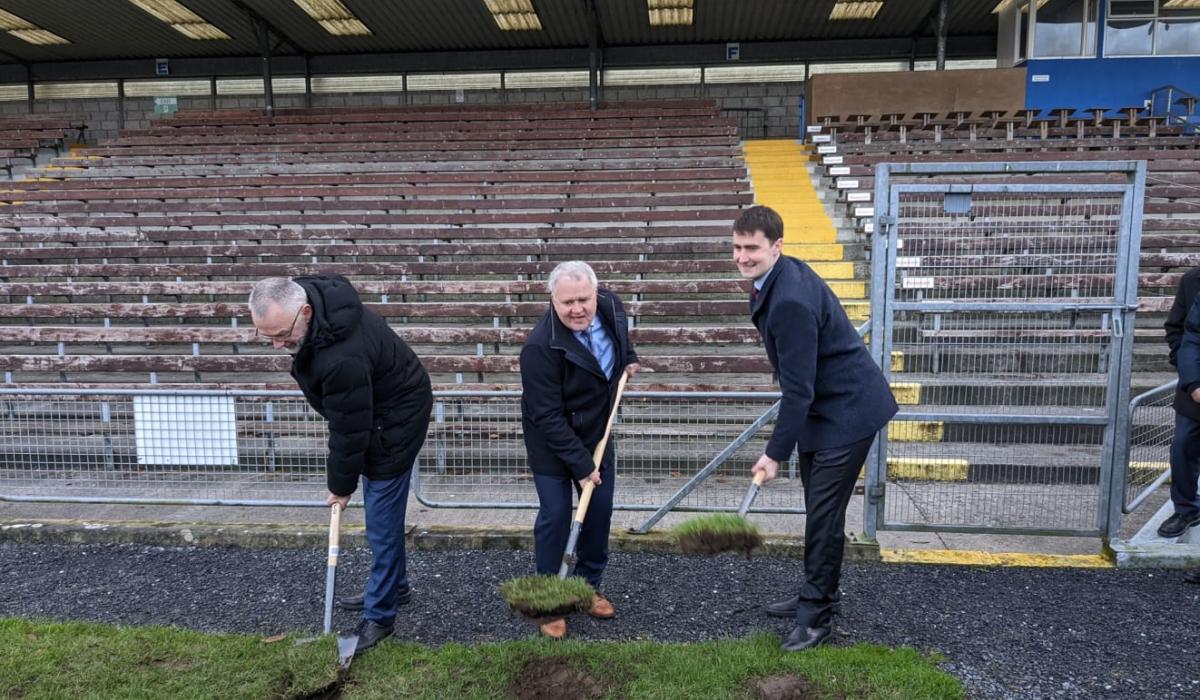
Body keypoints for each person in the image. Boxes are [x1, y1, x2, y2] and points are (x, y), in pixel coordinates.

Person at [732, 205, 897, 652]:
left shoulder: (789, 299)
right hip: (824, 410)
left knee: (822, 519)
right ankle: (819, 592)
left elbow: (798, 390)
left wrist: (774, 453)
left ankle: (815, 618)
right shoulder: (777, 277)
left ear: (777, 246)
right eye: (737, 247)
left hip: (847, 411)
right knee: (821, 514)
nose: (743, 257)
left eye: (752, 248)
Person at [248, 275, 432, 654]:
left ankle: (380, 616)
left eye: (281, 334)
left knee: (381, 524)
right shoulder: (316, 303)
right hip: (376, 406)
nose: (277, 344)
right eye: (267, 336)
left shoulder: (341, 358)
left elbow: (350, 428)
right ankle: (395, 586)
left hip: (395, 420)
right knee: (383, 518)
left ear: (306, 312)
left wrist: (340, 487)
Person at [519, 260, 639, 639]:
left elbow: (621, 339)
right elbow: (547, 416)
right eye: (567, 302)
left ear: (596, 294)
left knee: (598, 514)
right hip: (552, 442)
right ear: (552, 300)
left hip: (597, 435)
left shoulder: (611, 306)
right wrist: (582, 466)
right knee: (555, 517)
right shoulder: (539, 347)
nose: (577, 309)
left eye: (583, 300)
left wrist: (629, 359)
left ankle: (586, 587)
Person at [1161, 266, 1200, 546]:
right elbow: (1183, 334)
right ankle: (1186, 510)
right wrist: (1192, 379)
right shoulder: (1192, 280)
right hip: (1195, 385)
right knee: (1183, 446)